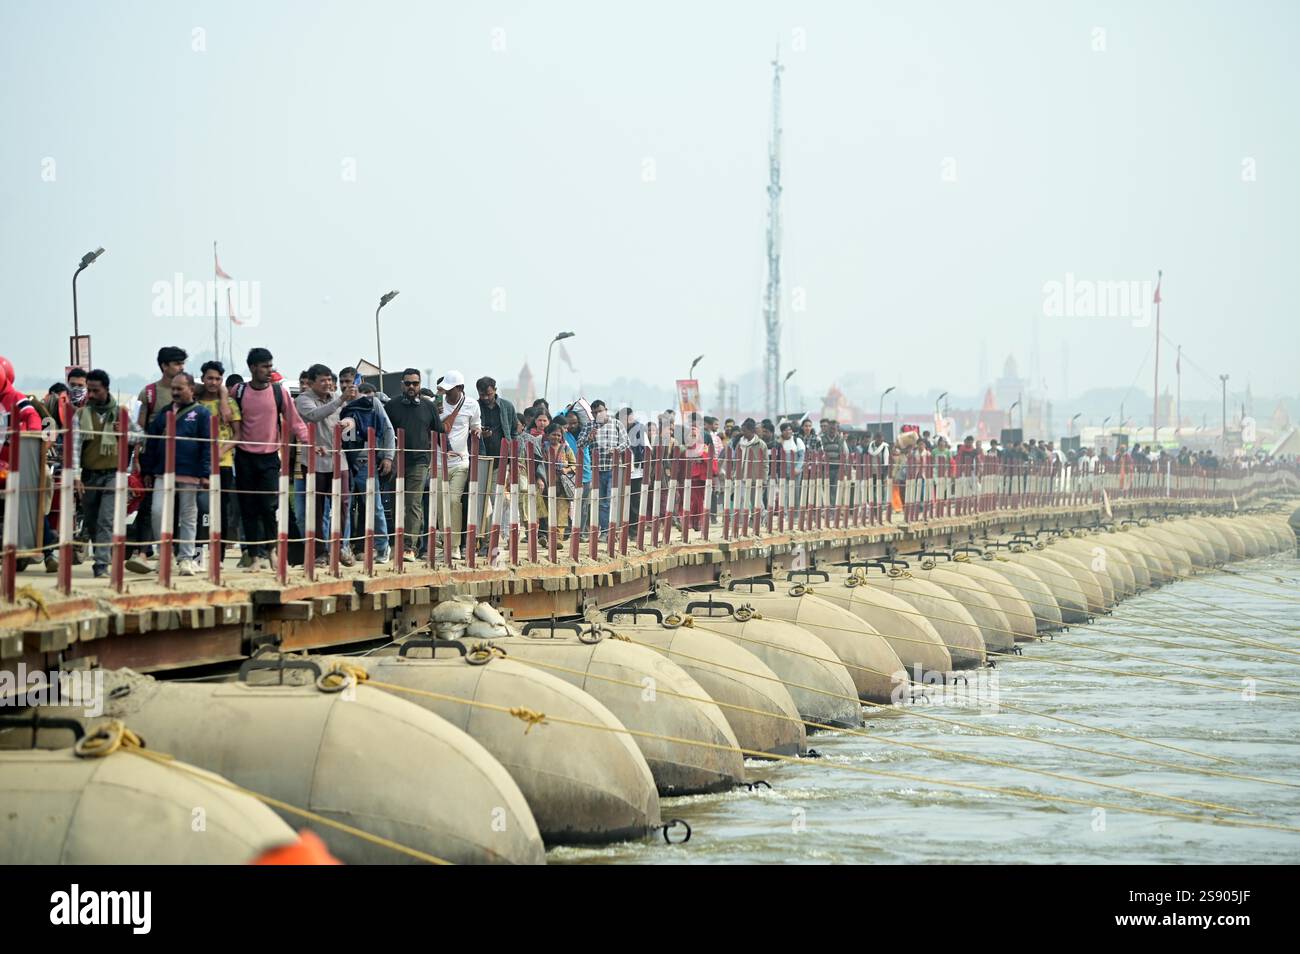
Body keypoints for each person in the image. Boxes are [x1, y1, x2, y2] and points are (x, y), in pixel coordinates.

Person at [232, 348, 309, 570]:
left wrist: (308, 442)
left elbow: (295, 421)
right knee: (248, 508)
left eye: (270, 365)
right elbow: (226, 415)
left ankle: (272, 552)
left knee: (269, 507)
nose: (269, 370)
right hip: (244, 456)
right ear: (252, 368)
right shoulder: (238, 392)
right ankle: (254, 556)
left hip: (269, 457)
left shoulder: (279, 392)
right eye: (264, 366)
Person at [138, 373, 211, 577]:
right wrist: (148, 470)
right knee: (157, 512)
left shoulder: (202, 414)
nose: (176, 392)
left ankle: (186, 559)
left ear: (191, 389)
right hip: (163, 471)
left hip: (190, 473)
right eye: (173, 389)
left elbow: (207, 445)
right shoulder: (164, 412)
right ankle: (164, 555)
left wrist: (205, 474)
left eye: (180, 388)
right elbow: (151, 442)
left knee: (188, 516)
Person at [69, 370, 140, 577]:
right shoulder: (81, 415)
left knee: (105, 519)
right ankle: (100, 553)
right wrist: (75, 476)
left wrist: (125, 432)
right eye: (88, 390)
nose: (90, 395)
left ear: (106, 390)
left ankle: (101, 564)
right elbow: (75, 447)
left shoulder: (121, 413)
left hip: (112, 476)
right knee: (91, 520)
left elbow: (142, 437)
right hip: (89, 476)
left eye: (95, 390)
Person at [295, 364, 354, 567]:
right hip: (314, 461)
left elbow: (349, 415)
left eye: (330, 379)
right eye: (323, 380)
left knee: (343, 503)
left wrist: (348, 422)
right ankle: (319, 552)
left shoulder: (336, 398)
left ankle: (338, 548)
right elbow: (315, 415)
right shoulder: (303, 400)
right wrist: (340, 400)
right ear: (311, 383)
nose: (328, 383)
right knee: (316, 509)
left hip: (339, 459)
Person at [385, 368, 441, 558]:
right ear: (402, 384)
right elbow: (384, 431)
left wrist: (448, 452)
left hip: (419, 461)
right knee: (395, 503)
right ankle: (397, 544)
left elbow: (439, 431)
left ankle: (410, 547)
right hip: (395, 462)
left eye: (415, 383)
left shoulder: (428, 406)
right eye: (407, 383)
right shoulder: (391, 406)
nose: (411, 387)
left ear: (420, 385)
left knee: (413, 503)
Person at [341, 382, 394, 562]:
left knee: (375, 506)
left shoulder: (373, 404)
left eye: (350, 382)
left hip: (366, 462)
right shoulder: (339, 404)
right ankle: (343, 547)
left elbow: (387, 429)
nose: (348, 386)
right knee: (344, 507)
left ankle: (382, 546)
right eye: (343, 382)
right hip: (344, 462)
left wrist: (388, 456)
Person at [198, 361, 242, 563]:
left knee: (221, 510)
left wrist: (221, 451)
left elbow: (238, 434)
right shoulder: (195, 402)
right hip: (197, 464)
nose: (213, 382)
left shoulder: (230, 404)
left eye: (217, 379)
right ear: (203, 379)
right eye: (210, 378)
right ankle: (196, 554)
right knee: (196, 509)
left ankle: (219, 557)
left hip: (223, 463)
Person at [435, 370, 481, 561]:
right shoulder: (437, 404)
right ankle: (444, 544)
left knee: (454, 502)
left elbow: (475, 425)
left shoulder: (472, 405)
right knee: (440, 504)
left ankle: (454, 546)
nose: (446, 394)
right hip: (438, 462)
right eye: (445, 390)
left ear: (460, 388)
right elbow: (431, 427)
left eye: (450, 390)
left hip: (461, 462)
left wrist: (477, 431)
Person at [475, 376, 518, 542]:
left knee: (494, 496)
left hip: (500, 459)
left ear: (495, 390)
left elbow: (514, 431)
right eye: (482, 395)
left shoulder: (507, 406)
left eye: (489, 394)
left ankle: (493, 535)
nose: (486, 398)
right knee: (481, 498)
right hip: (480, 457)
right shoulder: (476, 406)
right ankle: (483, 536)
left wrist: (512, 451)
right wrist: (480, 434)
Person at [581, 399, 629, 534]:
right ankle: (606, 531)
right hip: (596, 470)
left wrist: (616, 450)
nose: (598, 414)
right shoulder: (589, 426)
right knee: (602, 501)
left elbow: (626, 442)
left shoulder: (617, 424)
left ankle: (610, 529)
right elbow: (580, 445)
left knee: (610, 499)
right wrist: (589, 438)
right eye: (595, 412)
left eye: (600, 411)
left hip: (613, 468)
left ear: (606, 410)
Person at [535, 421, 576, 540]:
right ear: (547, 435)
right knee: (544, 510)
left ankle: (558, 538)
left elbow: (575, 465)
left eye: (559, 435)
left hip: (562, 485)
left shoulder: (566, 449)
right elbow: (538, 465)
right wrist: (539, 479)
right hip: (545, 484)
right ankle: (543, 535)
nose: (556, 437)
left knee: (562, 511)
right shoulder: (542, 448)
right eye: (554, 434)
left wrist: (567, 470)